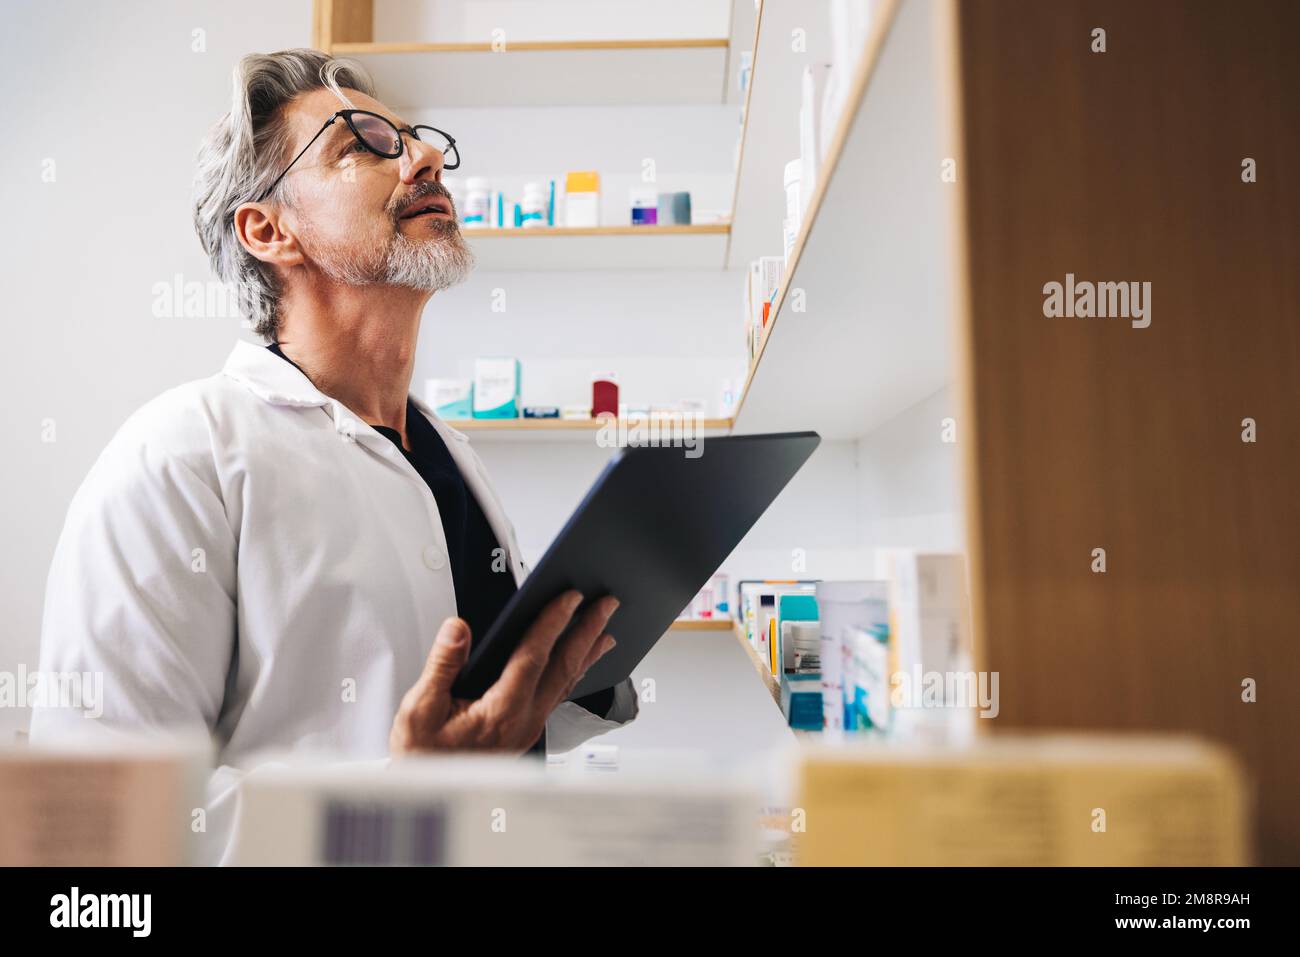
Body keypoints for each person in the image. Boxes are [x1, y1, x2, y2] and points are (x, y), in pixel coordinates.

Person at [29, 49, 637, 864]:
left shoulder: (449, 456)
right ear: (268, 229)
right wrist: (393, 805)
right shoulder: (177, 459)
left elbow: (483, 729)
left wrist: (579, 663)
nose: (422, 156)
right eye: (363, 145)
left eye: (416, 140)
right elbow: (94, 836)